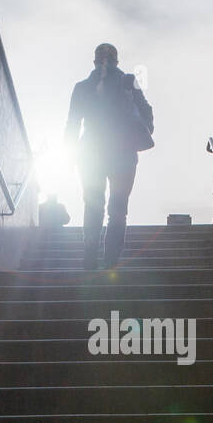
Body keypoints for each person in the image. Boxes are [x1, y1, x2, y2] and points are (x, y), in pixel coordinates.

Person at [63, 43, 154, 270]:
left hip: (93, 153)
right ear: (116, 61)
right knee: (117, 208)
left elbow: (72, 125)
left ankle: (91, 257)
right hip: (121, 153)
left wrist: (70, 155)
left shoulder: (83, 87)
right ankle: (111, 259)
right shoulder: (127, 82)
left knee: (94, 206)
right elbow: (147, 112)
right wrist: (143, 129)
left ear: (94, 61)